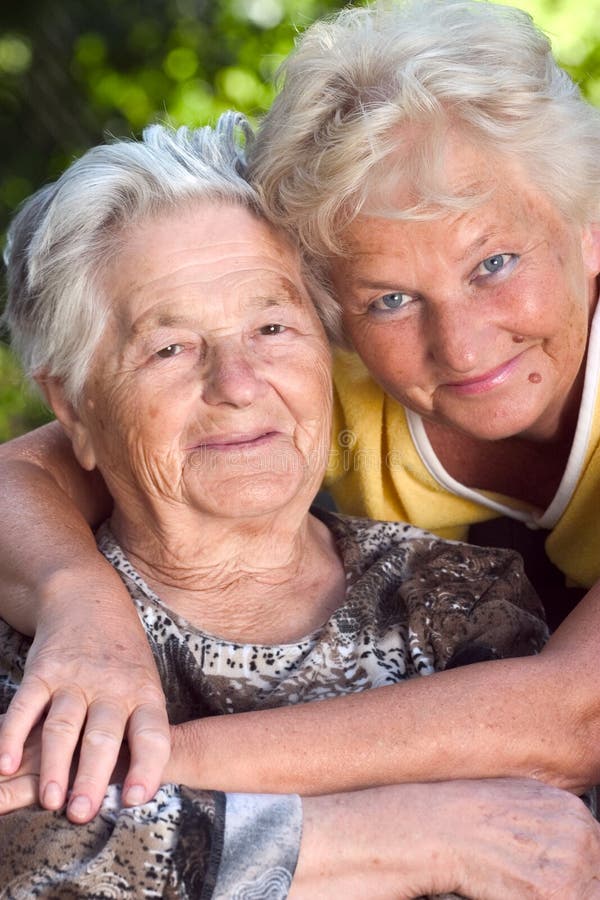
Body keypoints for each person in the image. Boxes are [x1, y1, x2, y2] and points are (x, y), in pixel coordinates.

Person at [0, 0, 599, 832]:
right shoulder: (329, 380)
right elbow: (30, 467)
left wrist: (131, 778)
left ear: (589, 229)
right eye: (389, 297)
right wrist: (78, 601)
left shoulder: (454, 600)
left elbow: (572, 719)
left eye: (494, 263)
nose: (460, 349)